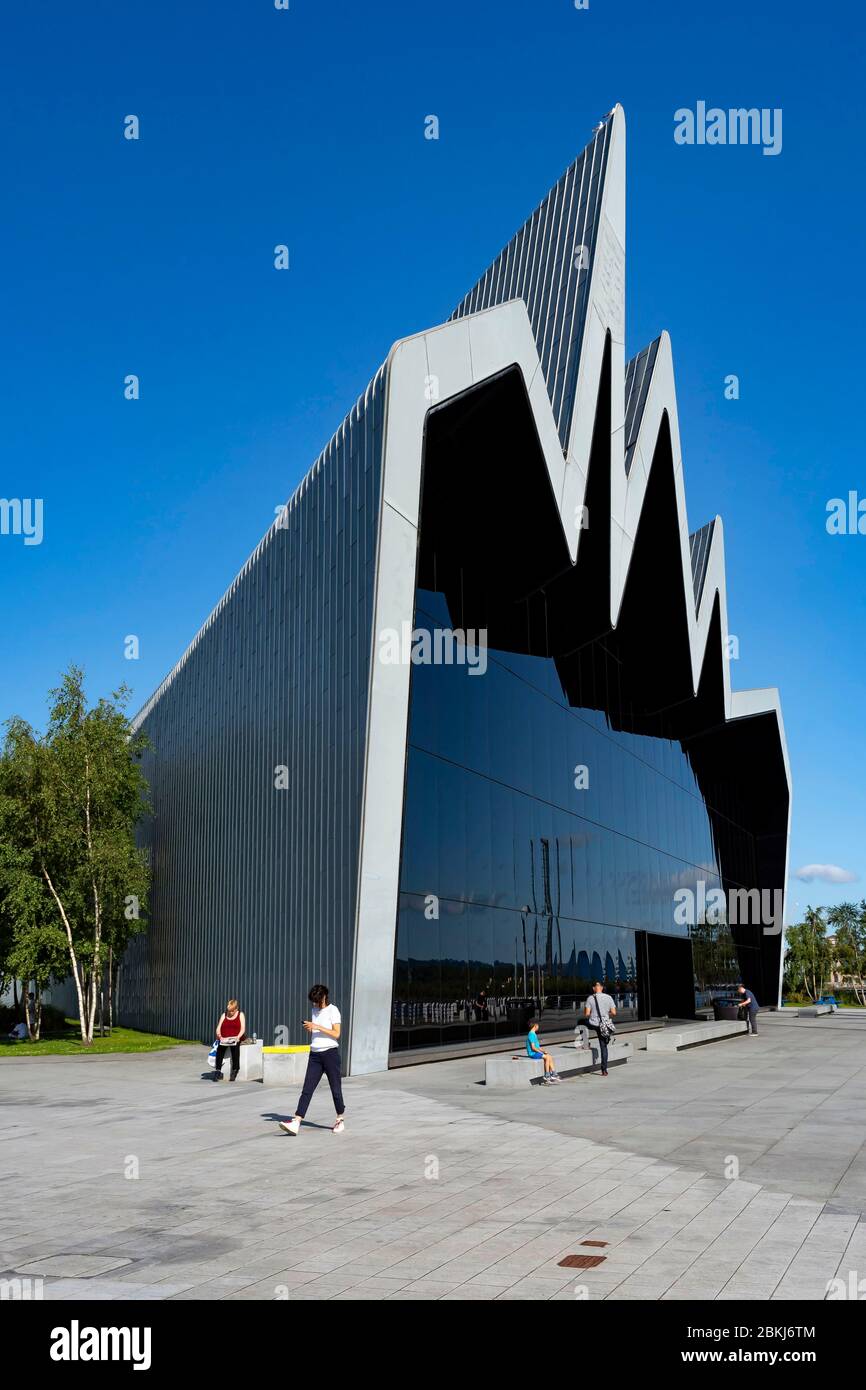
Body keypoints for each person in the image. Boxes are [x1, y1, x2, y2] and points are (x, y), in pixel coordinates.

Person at [280, 985, 346, 1135]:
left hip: (330, 1054)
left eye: (317, 1001)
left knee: (335, 1089)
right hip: (315, 1054)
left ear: (324, 997)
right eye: (313, 1002)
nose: (314, 1004)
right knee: (307, 1089)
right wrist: (312, 1028)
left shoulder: (333, 1010)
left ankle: (340, 1119)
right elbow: (320, 1030)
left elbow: (336, 1034)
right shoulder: (314, 1010)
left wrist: (317, 1026)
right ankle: (296, 1121)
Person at [584, 981, 616, 1076]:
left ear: (594, 988)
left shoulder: (590, 998)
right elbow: (614, 1013)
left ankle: (585, 1042)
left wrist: (594, 1015)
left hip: (593, 1024)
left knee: (581, 1022)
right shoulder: (609, 997)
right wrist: (605, 1015)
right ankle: (604, 1070)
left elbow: (586, 1014)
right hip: (604, 1025)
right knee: (603, 1047)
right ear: (602, 988)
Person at [213, 999, 245, 1081]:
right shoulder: (224, 1015)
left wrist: (238, 1037)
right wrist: (219, 1035)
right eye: (229, 1011)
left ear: (236, 1009)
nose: (230, 1012)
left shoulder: (240, 1014)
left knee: (235, 1050)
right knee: (220, 1050)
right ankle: (218, 1070)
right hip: (225, 1038)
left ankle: (235, 1069)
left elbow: (243, 1029)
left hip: (236, 1038)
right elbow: (218, 1027)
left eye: (232, 1011)